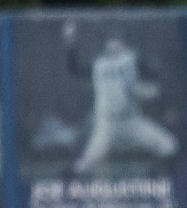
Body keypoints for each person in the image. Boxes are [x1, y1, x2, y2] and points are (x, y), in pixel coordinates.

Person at [63, 22, 179, 176]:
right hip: (107, 125)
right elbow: (75, 68)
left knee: (169, 147)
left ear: (123, 41)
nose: (113, 43)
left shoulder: (132, 60)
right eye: (110, 39)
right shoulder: (99, 65)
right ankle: (61, 192)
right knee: (84, 164)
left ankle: (155, 180)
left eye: (116, 38)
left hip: (132, 121)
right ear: (105, 43)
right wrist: (70, 42)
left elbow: (155, 82)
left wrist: (162, 104)